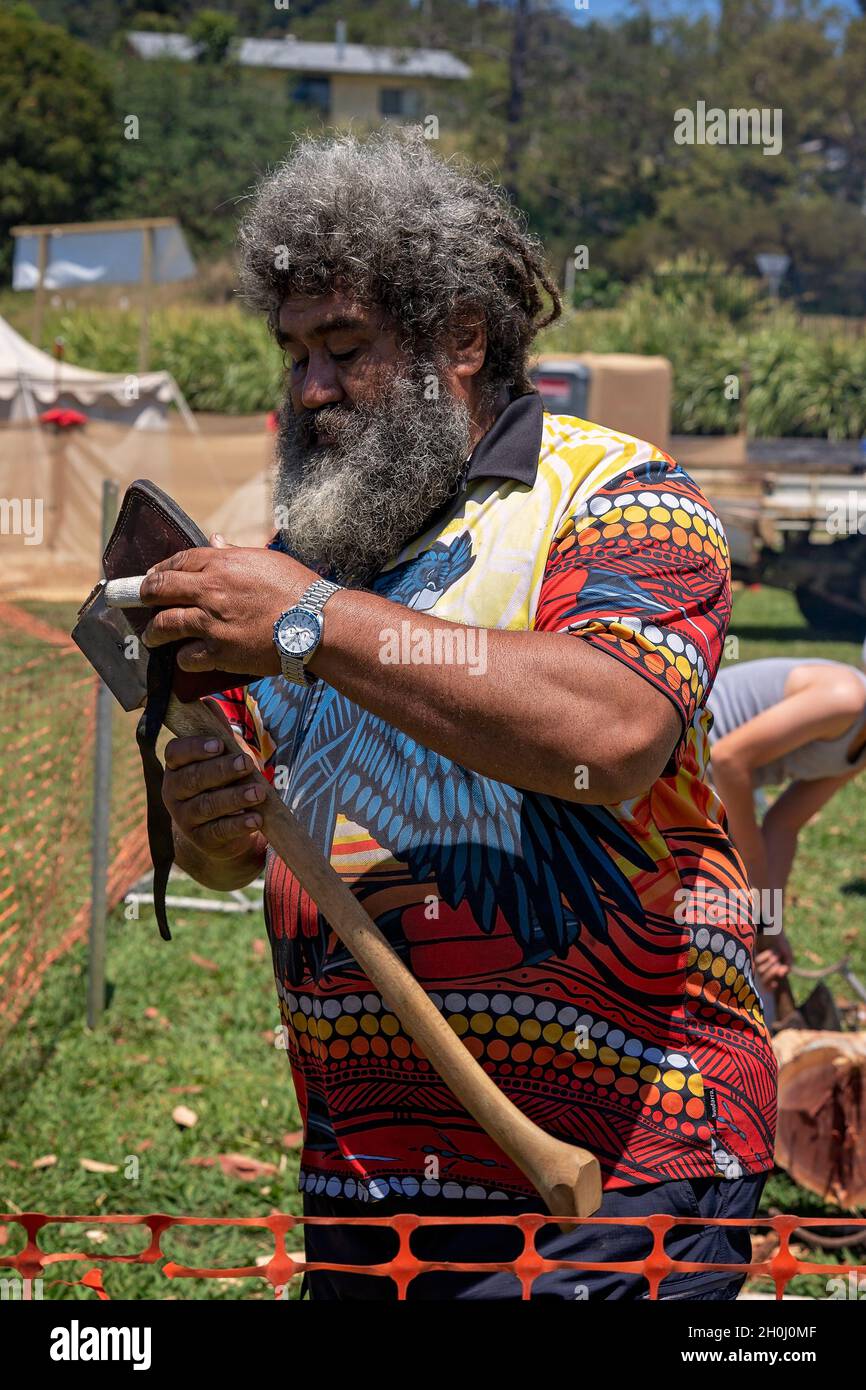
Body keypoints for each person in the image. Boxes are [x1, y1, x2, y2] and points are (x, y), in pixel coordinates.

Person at [140, 130, 775, 1300]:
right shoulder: (311, 553)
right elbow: (230, 850)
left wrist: (312, 620)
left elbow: (610, 735)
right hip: (367, 1180)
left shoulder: (621, 495)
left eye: (344, 347)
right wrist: (216, 818)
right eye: (293, 353)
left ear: (462, 339)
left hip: (617, 1165)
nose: (309, 387)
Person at [707, 654, 866, 1018]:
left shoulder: (860, 746)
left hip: (713, 783)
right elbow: (728, 759)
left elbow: (783, 824)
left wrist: (770, 926)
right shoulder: (845, 698)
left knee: (743, 935)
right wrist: (758, 896)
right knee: (705, 919)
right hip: (679, 759)